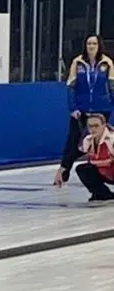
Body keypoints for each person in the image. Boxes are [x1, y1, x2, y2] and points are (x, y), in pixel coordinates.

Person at [55, 35, 113, 188]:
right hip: (81, 110)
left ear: (99, 45)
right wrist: (73, 108)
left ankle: (103, 174)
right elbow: (70, 86)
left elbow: (112, 87)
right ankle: (64, 171)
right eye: (88, 43)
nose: (91, 46)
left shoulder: (107, 63)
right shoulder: (78, 62)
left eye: (94, 43)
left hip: (102, 109)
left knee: (98, 142)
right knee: (73, 142)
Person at [76, 111, 114, 202]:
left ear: (104, 125)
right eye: (90, 126)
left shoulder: (112, 139)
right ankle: (102, 193)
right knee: (82, 169)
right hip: (104, 172)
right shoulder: (87, 140)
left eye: (96, 126)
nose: (93, 129)